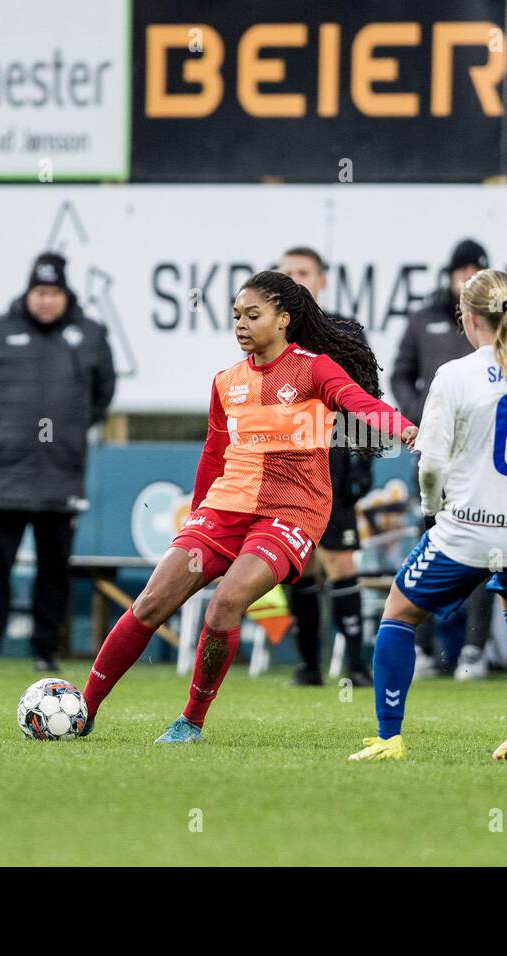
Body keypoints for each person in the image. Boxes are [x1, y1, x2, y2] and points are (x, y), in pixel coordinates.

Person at [80, 271, 417, 742]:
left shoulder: (313, 368)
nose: (240, 324)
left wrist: (402, 427)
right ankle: (83, 710)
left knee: (226, 603)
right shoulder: (226, 382)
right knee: (152, 602)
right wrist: (197, 525)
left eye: (252, 315)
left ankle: (191, 721)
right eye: (236, 315)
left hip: (292, 510)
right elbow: (212, 455)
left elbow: (358, 401)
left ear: (283, 319)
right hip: (226, 507)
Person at [349, 269, 507, 762]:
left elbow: (430, 461)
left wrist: (434, 509)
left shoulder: (455, 375)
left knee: (398, 612)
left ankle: (389, 738)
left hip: (468, 530)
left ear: (467, 318)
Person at [0, 252, 115, 673]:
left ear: (65, 294)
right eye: (39, 292)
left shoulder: (90, 334)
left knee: (54, 571)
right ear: (28, 293)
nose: (46, 301)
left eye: (53, 293)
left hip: (61, 475)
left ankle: (45, 653)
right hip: (5, 474)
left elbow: (104, 395)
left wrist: (66, 434)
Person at [391, 238, 496, 678]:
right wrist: (417, 416)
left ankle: (473, 649)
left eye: (476, 271)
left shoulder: (498, 324)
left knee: (487, 549)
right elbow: (400, 374)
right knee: (432, 543)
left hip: (484, 453)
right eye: (462, 271)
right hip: (435, 451)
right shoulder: (423, 319)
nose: (467, 279)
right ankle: (422, 648)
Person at [279, 247, 374, 688]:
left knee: (340, 559)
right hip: (285, 466)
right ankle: (309, 666)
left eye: (303, 272)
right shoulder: (269, 335)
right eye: (287, 272)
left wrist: (361, 464)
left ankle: (356, 667)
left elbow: (365, 396)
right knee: (298, 564)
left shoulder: (343, 332)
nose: (295, 279)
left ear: (322, 280)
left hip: (333, 464)